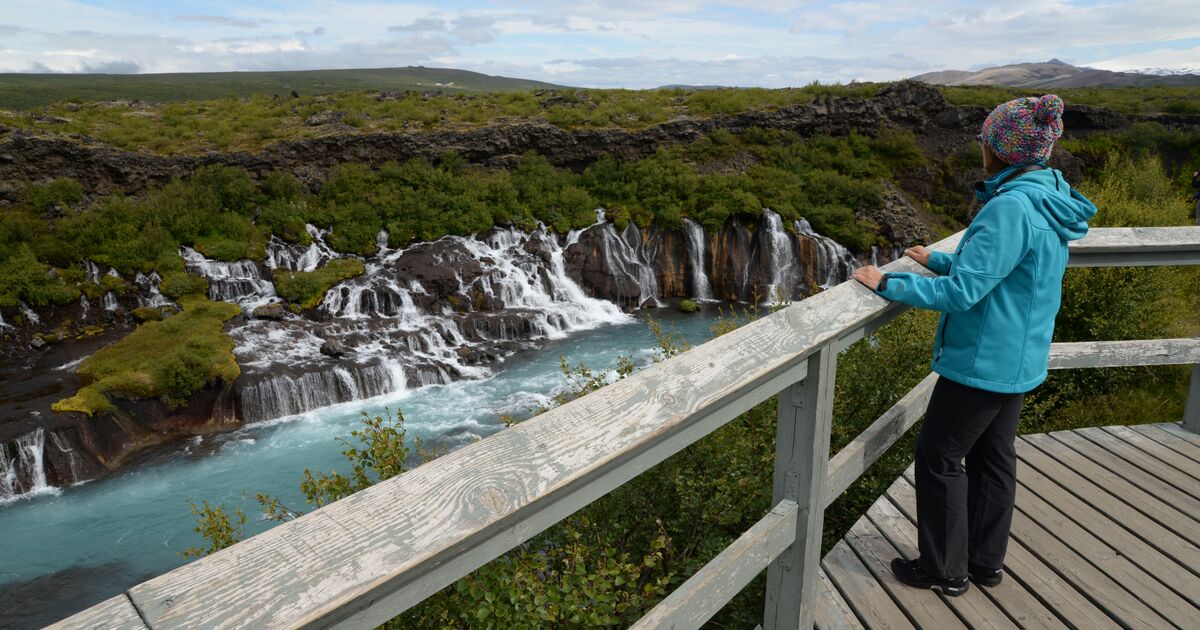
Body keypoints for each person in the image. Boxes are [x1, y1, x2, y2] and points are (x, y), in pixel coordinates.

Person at [851, 94, 1097, 596]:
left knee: (939, 457)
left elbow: (964, 294)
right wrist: (939, 259)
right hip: (1019, 355)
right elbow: (1010, 272)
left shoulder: (1009, 207)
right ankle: (985, 564)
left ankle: (943, 568)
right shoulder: (1047, 193)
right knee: (993, 458)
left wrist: (886, 283)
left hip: (983, 361)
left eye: (986, 138)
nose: (980, 145)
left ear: (1001, 149)